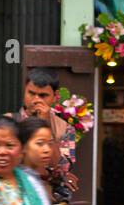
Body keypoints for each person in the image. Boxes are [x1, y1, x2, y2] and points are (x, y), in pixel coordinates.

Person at [19, 67, 79, 198]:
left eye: (43, 95)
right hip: (15, 195)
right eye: (31, 93)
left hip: (48, 198)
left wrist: (46, 126)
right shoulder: (10, 122)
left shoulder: (66, 129)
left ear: (55, 97)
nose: (36, 100)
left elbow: (64, 169)